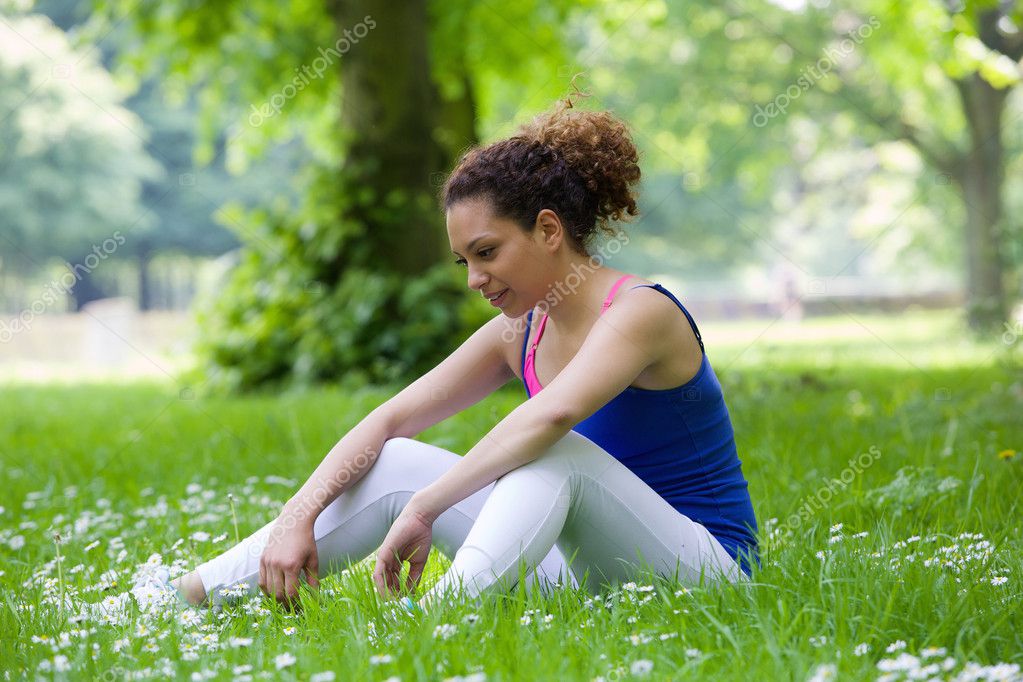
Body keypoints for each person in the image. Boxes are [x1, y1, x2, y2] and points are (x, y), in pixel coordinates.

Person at [135, 94, 760, 613]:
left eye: (487, 252)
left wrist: (426, 508)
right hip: (582, 577)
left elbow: (549, 420)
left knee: (557, 452)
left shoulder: (641, 311)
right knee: (396, 459)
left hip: (701, 571)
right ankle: (178, 600)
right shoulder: (523, 331)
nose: (474, 279)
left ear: (547, 229)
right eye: (464, 261)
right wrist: (296, 516)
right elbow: (389, 421)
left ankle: (427, 632)